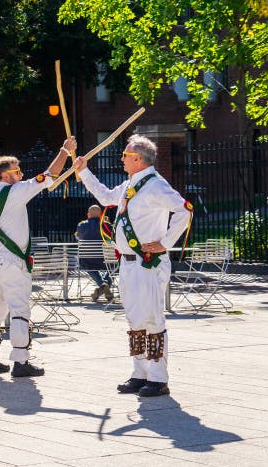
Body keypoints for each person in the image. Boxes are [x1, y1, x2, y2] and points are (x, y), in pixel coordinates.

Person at [74, 134, 192, 397]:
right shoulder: (131, 185)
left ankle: (158, 378)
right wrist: (84, 172)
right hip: (128, 263)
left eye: (125, 155)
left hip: (148, 263)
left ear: (137, 159)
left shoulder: (156, 186)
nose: (122, 159)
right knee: (134, 318)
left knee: (152, 318)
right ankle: (140, 373)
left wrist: (165, 242)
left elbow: (185, 209)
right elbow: (105, 198)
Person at [0, 138, 76, 377]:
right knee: (19, 309)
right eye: (17, 171)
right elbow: (50, 175)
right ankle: (20, 361)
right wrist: (64, 150)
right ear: (5, 175)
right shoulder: (15, 192)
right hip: (11, 262)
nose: (21, 174)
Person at [75, 204, 113, 302]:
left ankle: (102, 285)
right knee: (113, 265)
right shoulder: (106, 225)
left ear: (88, 215)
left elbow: (78, 237)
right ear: (101, 215)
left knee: (87, 265)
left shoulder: (81, 225)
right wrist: (107, 222)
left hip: (86, 260)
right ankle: (105, 284)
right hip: (104, 261)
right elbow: (111, 239)